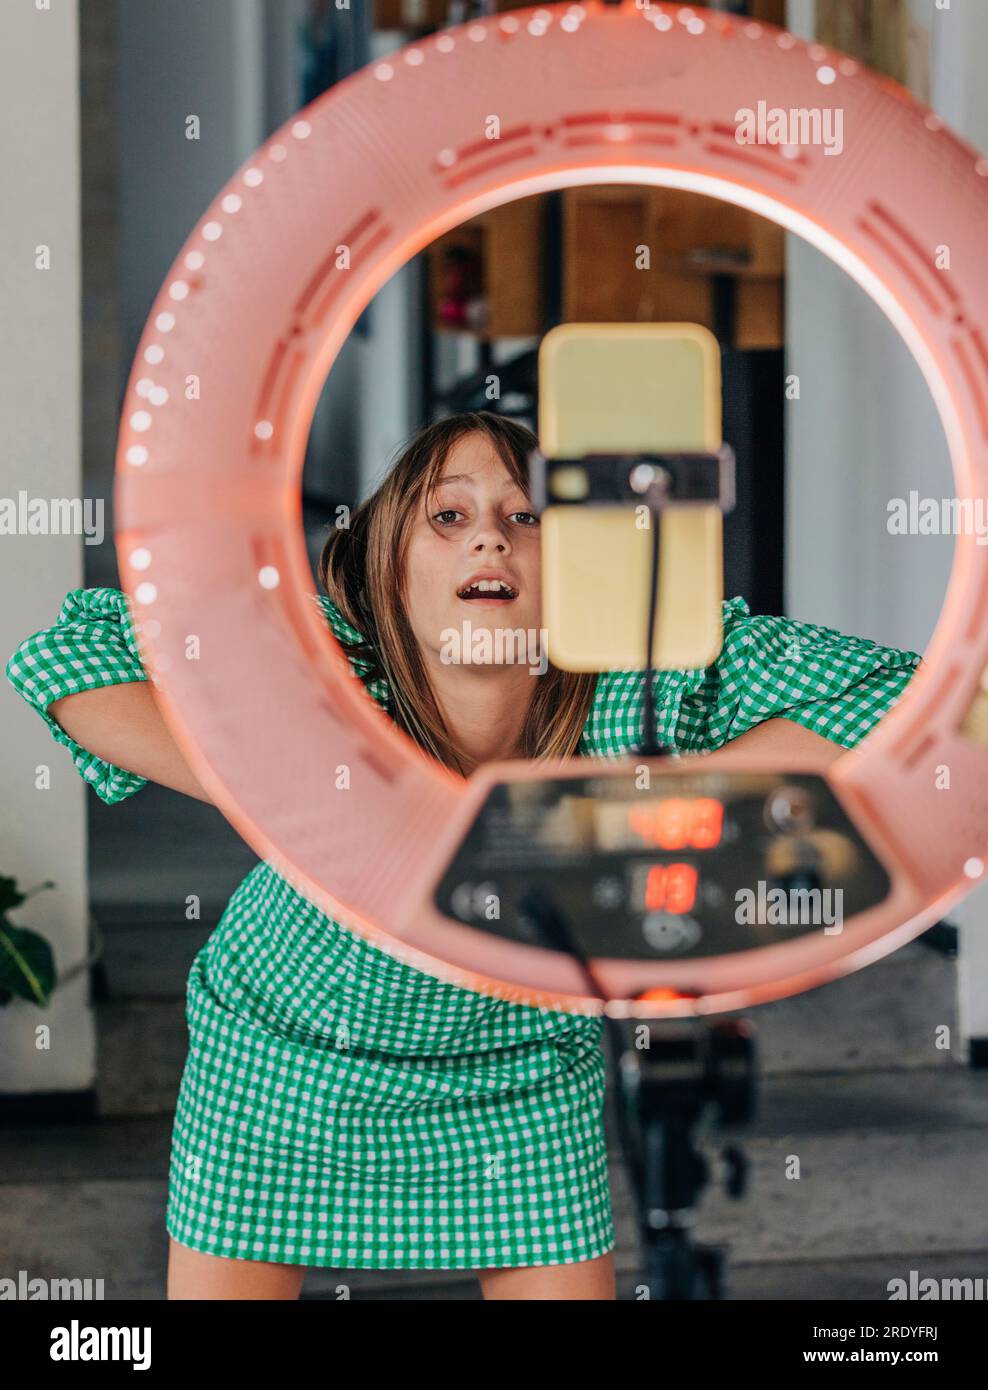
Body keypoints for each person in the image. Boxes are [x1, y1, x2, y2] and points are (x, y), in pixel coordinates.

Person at [6, 410, 923, 1300]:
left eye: (527, 516)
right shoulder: (329, 667)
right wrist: (284, 795)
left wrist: (659, 801)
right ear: (385, 569)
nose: (491, 538)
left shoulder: (646, 687)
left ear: (577, 570)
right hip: (280, 1056)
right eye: (449, 517)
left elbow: (907, 697)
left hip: (522, 1071)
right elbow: (72, 656)